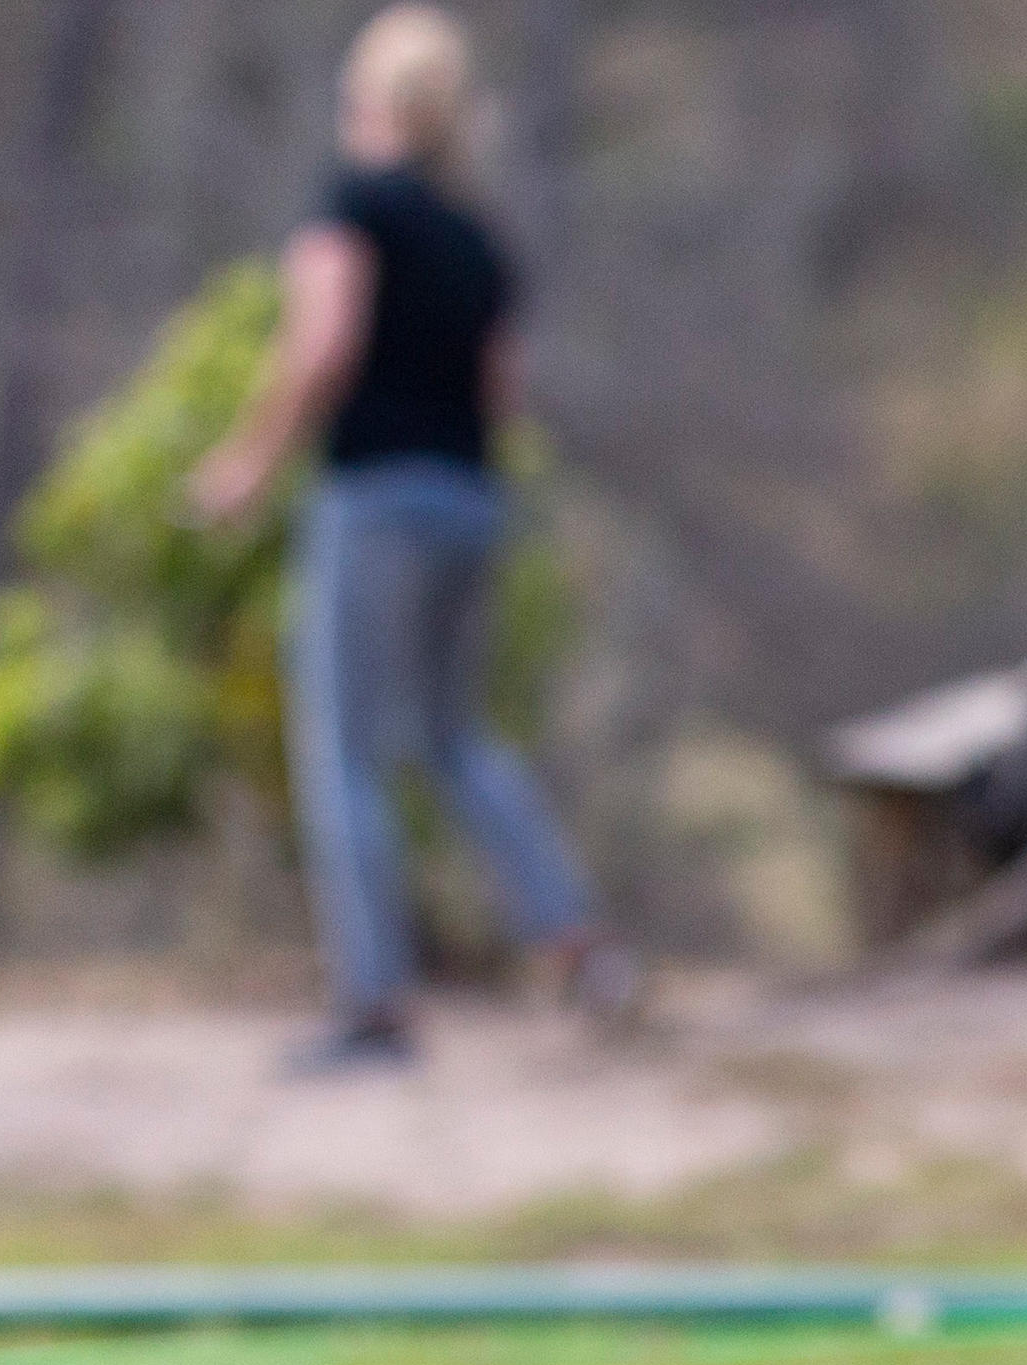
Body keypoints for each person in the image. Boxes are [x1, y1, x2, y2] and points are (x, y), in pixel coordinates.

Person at [189, 6, 635, 1072]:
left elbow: (323, 342)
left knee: (341, 748)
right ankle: (574, 938)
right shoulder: (477, 238)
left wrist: (248, 463)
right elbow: (504, 392)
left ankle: (375, 1005)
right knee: (452, 737)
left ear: (375, 106)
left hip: (374, 497)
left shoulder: (354, 207)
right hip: (471, 501)